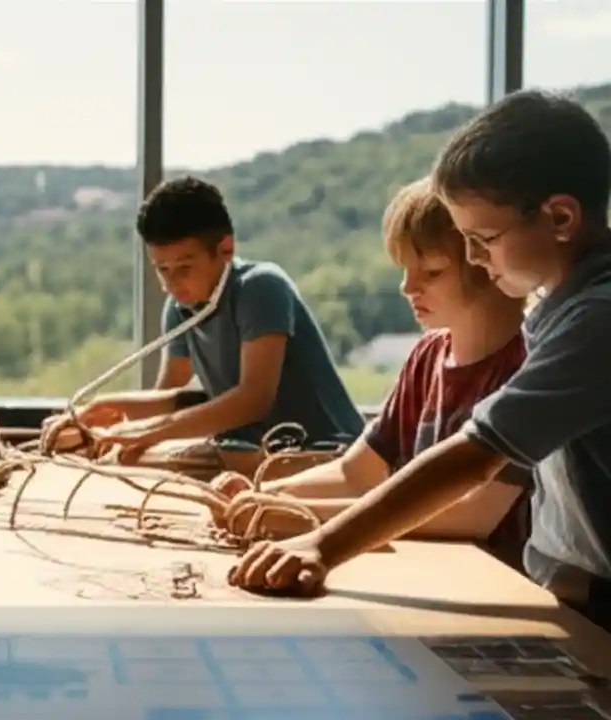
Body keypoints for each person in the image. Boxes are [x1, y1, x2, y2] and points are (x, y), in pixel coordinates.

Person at [228, 90, 611, 633]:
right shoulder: (561, 311)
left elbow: (476, 456)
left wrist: (322, 544)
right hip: (567, 595)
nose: (475, 257)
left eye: (483, 238)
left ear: (560, 217)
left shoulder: (598, 319)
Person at [215, 177, 530, 569]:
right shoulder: (428, 356)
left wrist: (296, 517)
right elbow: (356, 472)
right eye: (405, 270)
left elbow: (476, 514)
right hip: (427, 570)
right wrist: (260, 494)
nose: (407, 287)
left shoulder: (529, 368)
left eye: (432, 271)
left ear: (489, 262)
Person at [77, 176, 364, 464]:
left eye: (184, 267)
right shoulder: (180, 308)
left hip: (331, 456)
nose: (172, 284)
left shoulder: (260, 287)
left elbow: (253, 400)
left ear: (225, 249)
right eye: (162, 269)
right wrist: (101, 412)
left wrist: (149, 431)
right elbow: (176, 401)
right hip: (260, 457)